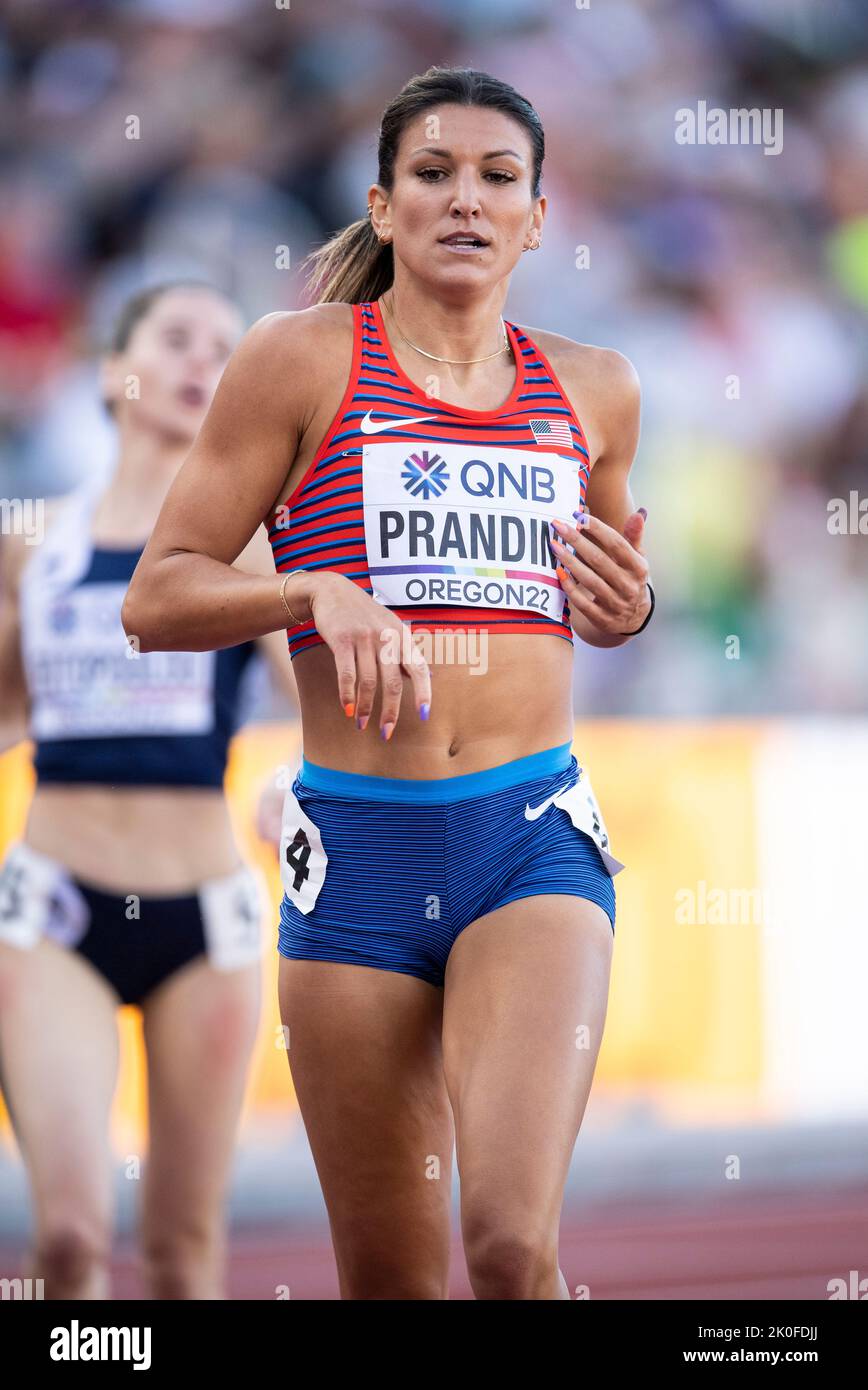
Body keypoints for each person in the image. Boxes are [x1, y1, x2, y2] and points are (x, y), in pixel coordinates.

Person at [122, 67, 654, 1301]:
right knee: (392, 1283)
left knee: (511, 1247)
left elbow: (617, 592)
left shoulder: (596, 387)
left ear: (537, 218)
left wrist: (630, 611)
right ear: (382, 203)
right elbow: (156, 598)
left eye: (497, 178)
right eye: (433, 173)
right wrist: (307, 591)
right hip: (356, 855)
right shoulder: (297, 360)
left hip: (528, 837)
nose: (465, 199)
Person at [0, 281, 298, 1300]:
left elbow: (324, 716)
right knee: (70, 1238)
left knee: (181, 1252)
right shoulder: (33, 545)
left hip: (204, 922)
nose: (202, 362)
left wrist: (292, 784)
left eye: (224, 347)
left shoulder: (250, 547)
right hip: (54, 912)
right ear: (112, 372)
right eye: (176, 338)